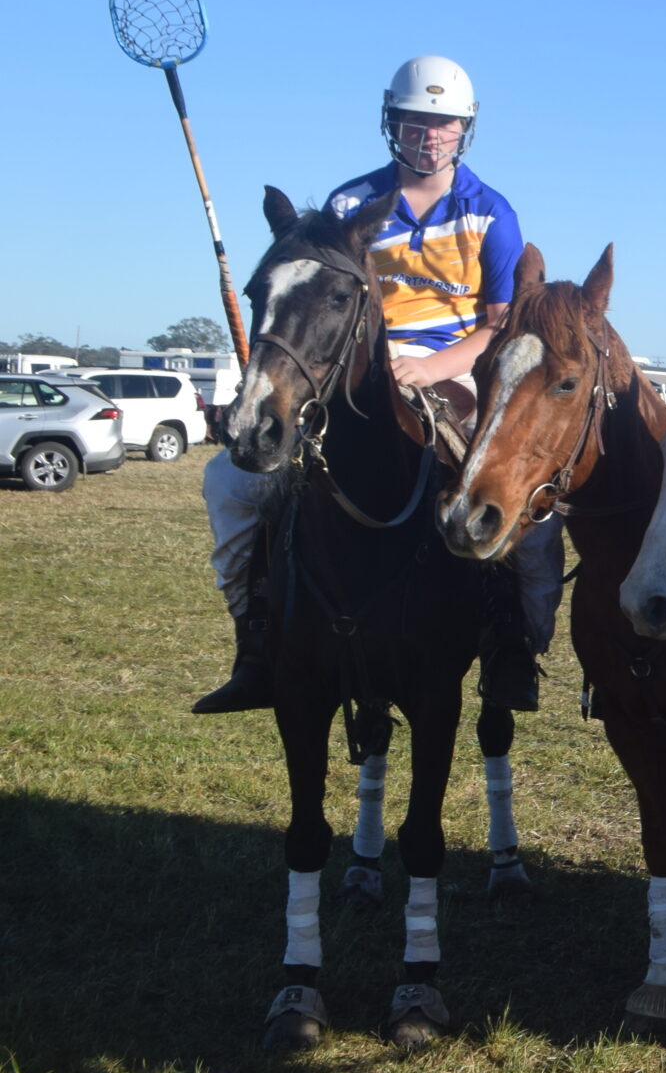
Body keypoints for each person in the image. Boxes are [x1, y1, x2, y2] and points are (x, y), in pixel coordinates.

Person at [194, 55, 553, 714]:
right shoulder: (348, 202)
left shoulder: (491, 213)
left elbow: (498, 330)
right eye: (415, 121)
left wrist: (430, 367)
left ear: (463, 131)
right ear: (393, 124)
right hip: (349, 379)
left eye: (442, 124)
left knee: (528, 519)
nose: (428, 136)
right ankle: (254, 638)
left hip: (454, 381)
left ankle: (514, 647)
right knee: (229, 481)